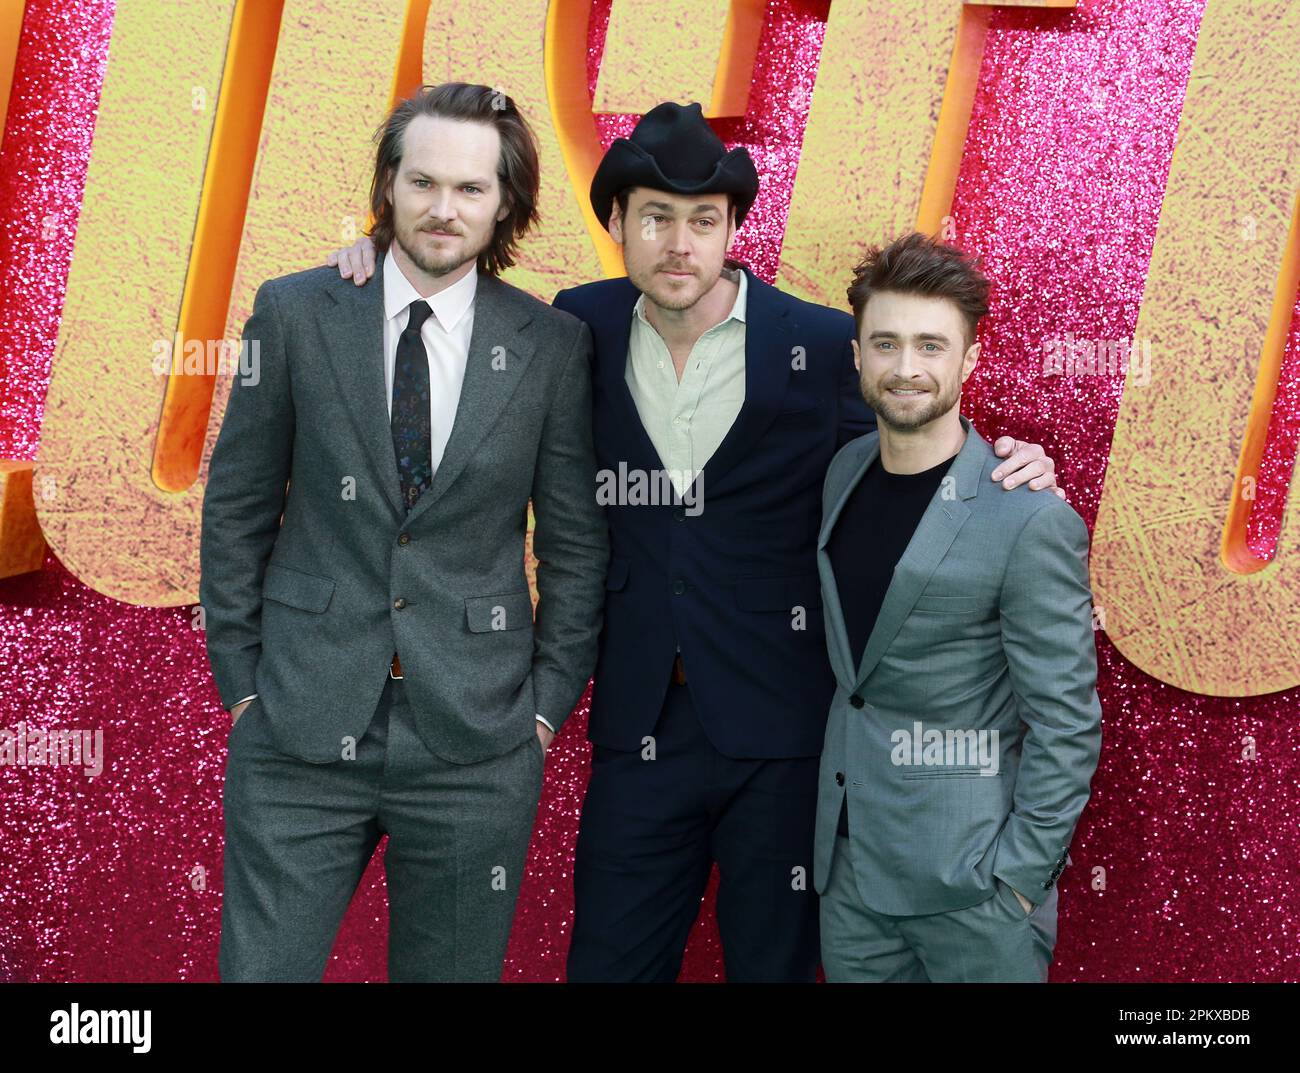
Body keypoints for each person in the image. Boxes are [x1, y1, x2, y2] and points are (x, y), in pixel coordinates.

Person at [328, 101, 1061, 982]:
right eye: (657, 218)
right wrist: (373, 256)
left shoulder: (823, 344)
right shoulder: (574, 329)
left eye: (704, 221)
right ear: (618, 226)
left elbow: (915, 430)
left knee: (774, 966)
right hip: (640, 726)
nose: (680, 243)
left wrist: (1013, 459)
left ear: (732, 229)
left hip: (785, 734)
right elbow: (449, 291)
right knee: (608, 964)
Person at [201, 82, 607, 982]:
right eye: (423, 182)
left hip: (476, 743)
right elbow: (235, 505)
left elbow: (575, 546)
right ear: (388, 185)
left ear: (507, 201)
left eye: (470, 189)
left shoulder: (550, 344)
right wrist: (243, 688)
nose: (443, 208)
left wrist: (540, 712)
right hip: (298, 728)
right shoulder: (298, 311)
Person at [815, 232, 1102, 982]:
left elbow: (1067, 720)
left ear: (968, 360)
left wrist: (1018, 878)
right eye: (885, 343)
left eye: (931, 346)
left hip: (975, 892)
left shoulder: (1027, 515)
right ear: (857, 355)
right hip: (852, 881)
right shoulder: (842, 472)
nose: (906, 368)